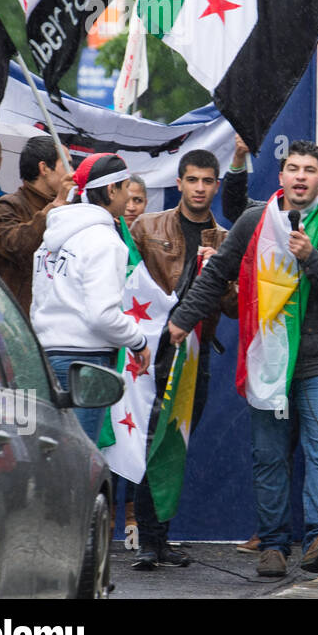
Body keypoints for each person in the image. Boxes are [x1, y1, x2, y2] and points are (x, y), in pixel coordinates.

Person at [168, 141, 318, 578]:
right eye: (292, 169)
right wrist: (183, 320)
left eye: (309, 170)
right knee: (270, 456)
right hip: (269, 355)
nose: (300, 177)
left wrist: (311, 257)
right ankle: (273, 545)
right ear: (280, 178)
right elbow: (217, 272)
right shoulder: (256, 220)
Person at [127, 150, 235, 570]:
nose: (200, 188)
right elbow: (123, 280)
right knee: (147, 440)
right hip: (150, 349)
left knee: (174, 443)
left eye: (208, 181)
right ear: (179, 183)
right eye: (193, 180)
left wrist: (217, 274)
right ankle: (148, 542)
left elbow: (233, 307)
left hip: (196, 353)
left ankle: (161, 538)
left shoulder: (225, 239)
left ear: (216, 186)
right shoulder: (147, 227)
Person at [31, 154, 151, 442]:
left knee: (50, 459)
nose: (127, 195)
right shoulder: (105, 241)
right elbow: (102, 316)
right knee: (78, 467)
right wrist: (138, 340)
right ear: (111, 190)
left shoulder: (50, 240)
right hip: (84, 366)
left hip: (42, 359)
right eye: (124, 187)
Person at [0, 136, 72, 313]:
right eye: (66, 165)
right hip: (13, 321)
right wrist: (54, 207)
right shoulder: (8, 206)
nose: (72, 173)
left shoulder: (69, 210)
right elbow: (18, 246)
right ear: (44, 168)